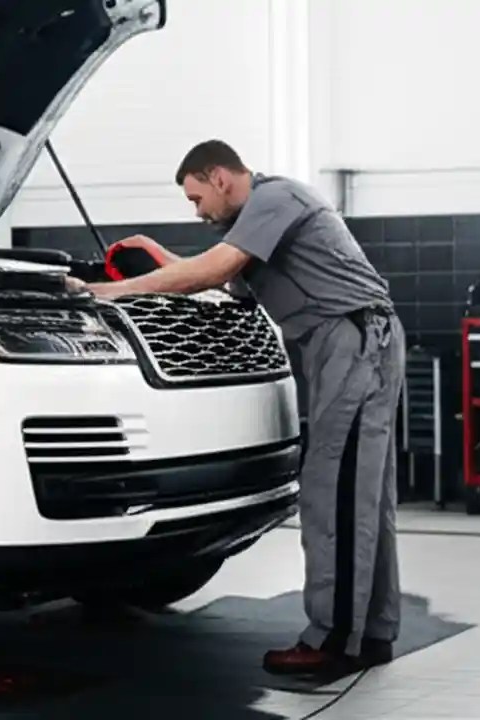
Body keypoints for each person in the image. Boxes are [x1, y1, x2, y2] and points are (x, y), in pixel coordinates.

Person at [68, 140, 406, 676]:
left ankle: (334, 641)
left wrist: (114, 293)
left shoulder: (274, 198)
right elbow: (227, 283)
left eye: (196, 197)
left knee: (332, 491)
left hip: (351, 340)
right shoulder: (254, 225)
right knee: (362, 494)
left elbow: (209, 273)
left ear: (220, 177)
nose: (197, 211)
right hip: (346, 341)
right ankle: (372, 632)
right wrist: (159, 259)